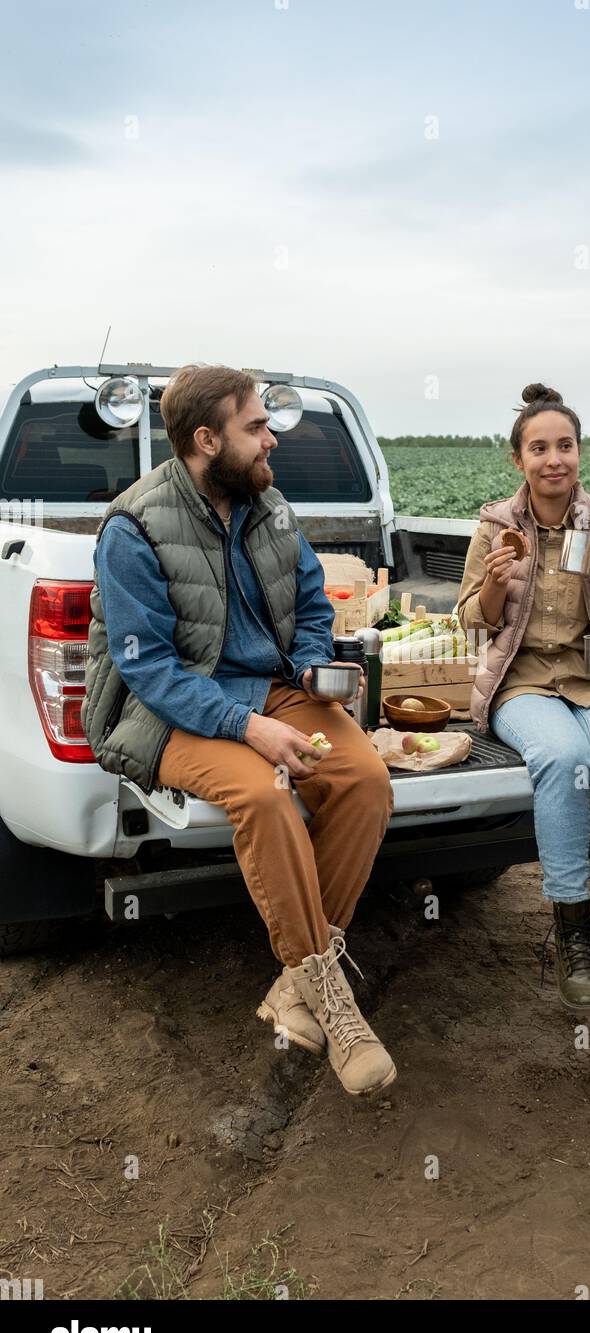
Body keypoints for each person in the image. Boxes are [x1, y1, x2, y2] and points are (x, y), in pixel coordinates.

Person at [82, 364, 396, 1099]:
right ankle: (332, 999)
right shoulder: (132, 530)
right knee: (264, 797)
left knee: (365, 780)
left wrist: (317, 668)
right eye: (256, 428)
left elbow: (314, 603)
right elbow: (148, 669)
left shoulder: (270, 505)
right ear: (205, 439)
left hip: (275, 691)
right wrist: (244, 726)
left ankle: (297, 985)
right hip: (171, 711)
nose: (271, 441)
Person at [457, 384, 590, 1013]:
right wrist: (492, 586)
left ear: (579, 452)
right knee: (564, 761)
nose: (553, 460)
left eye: (564, 445)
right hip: (523, 681)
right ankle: (571, 936)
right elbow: (473, 621)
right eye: (538, 448)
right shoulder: (495, 529)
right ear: (520, 460)